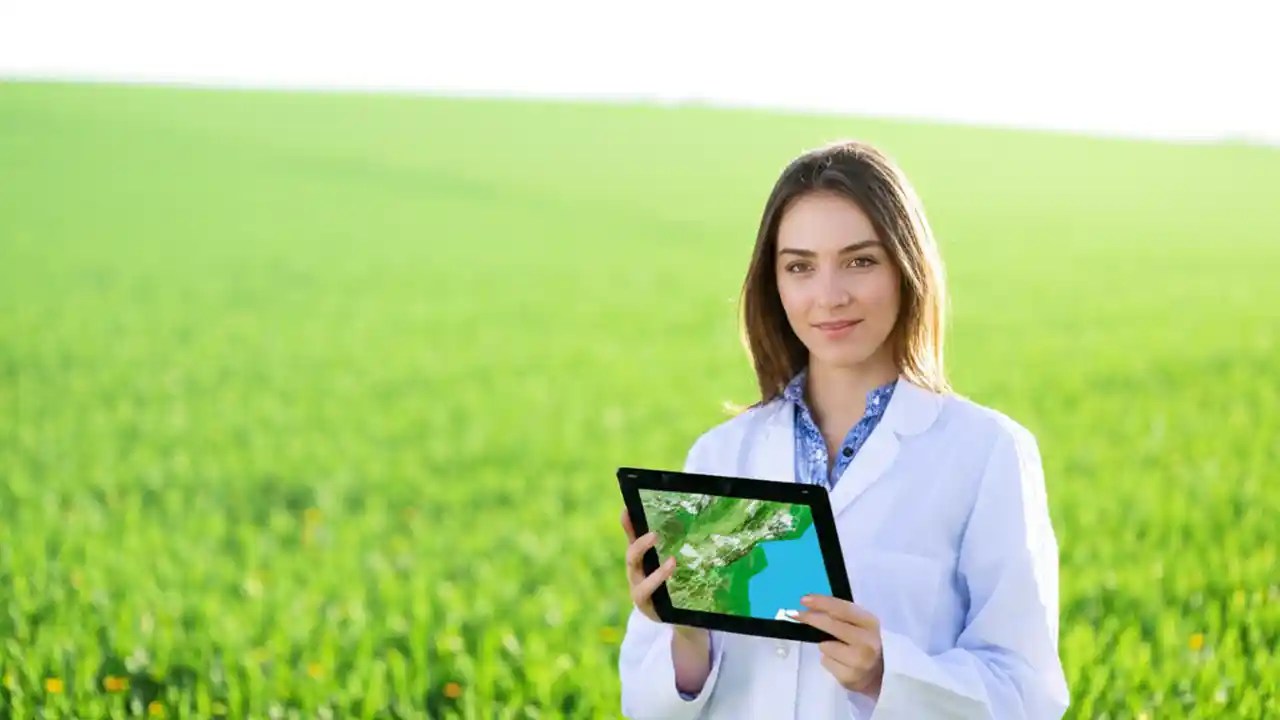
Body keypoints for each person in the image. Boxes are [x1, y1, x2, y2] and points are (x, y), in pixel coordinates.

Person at [617, 140, 1069, 719]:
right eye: (800, 266)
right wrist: (684, 633)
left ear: (906, 267)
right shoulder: (722, 454)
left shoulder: (987, 454)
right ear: (773, 284)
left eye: (860, 261)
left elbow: (1027, 696)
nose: (829, 296)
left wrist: (888, 675)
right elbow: (647, 708)